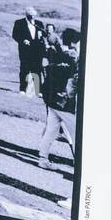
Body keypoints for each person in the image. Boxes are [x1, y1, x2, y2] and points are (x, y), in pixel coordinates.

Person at [37, 27, 79, 171]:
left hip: (51, 99)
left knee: (51, 130)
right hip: (62, 100)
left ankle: (43, 158)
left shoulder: (56, 52)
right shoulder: (71, 56)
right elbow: (73, 80)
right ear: (74, 41)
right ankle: (79, 163)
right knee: (76, 131)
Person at [11, 7, 44, 97]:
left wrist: (41, 36)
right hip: (25, 50)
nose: (32, 18)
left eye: (33, 16)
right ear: (27, 15)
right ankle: (23, 89)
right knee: (24, 69)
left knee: (37, 70)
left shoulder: (39, 23)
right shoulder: (19, 23)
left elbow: (43, 36)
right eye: (30, 16)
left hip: (37, 50)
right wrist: (23, 40)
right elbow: (15, 35)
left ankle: (38, 91)